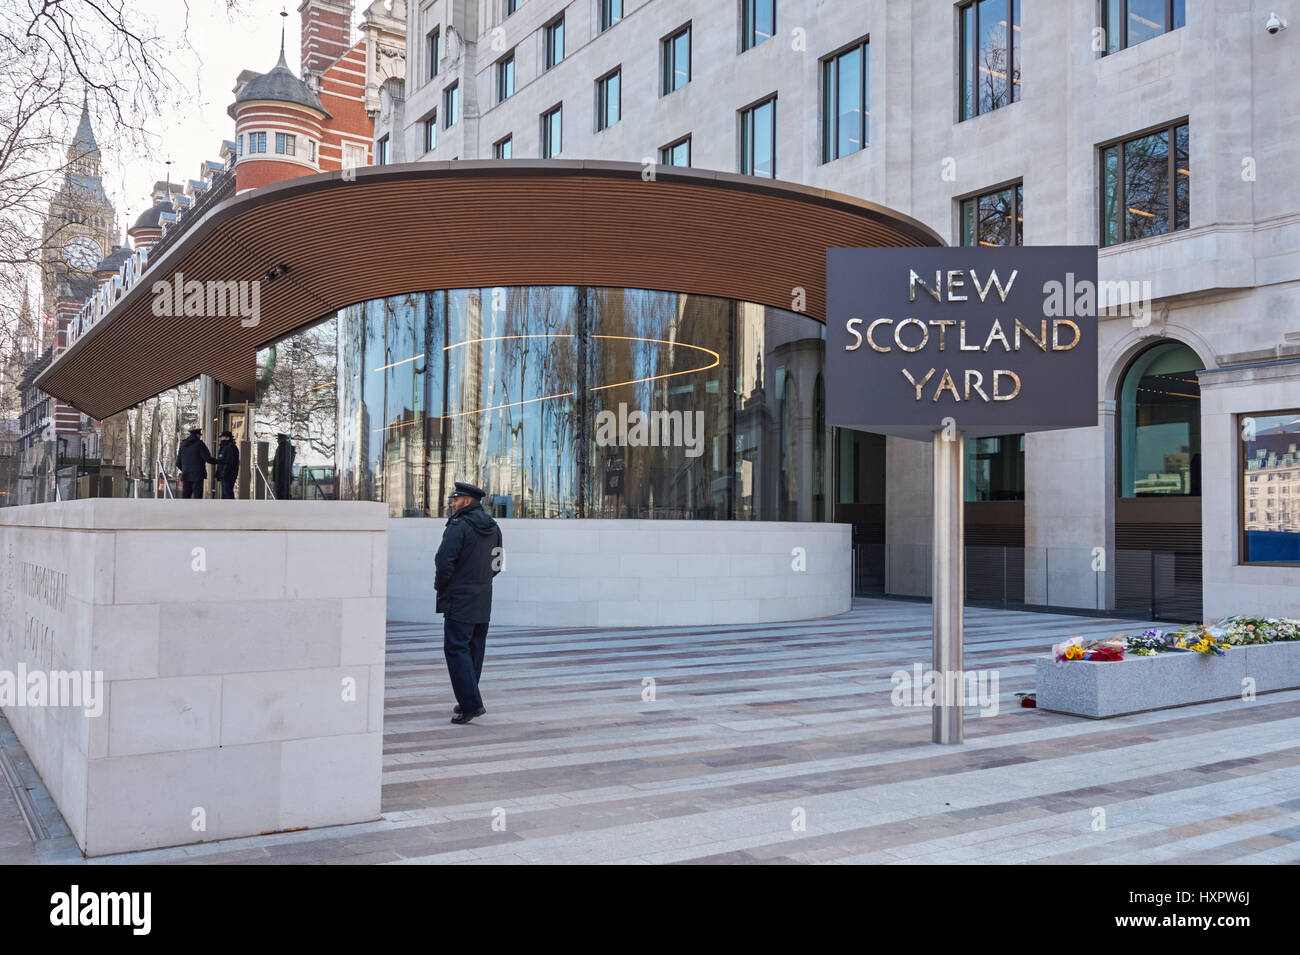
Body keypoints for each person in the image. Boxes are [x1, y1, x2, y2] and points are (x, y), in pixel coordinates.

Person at [435, 481, 503, 725]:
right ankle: (468, 697)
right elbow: (498, 565)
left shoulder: (458, 525)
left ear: (467, 500)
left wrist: (443, 586)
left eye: (455, 499)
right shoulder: (494, 527)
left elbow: (444, 562)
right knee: (474, 648)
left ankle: (471, 704)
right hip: (484, 596)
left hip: (459, 596)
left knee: (456, 648)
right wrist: (481, 582)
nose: (452, 503)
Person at [175, 427, 214, 499]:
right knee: (197, 496)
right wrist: (220, 461)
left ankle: (186, 510)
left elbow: (178, 462)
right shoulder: (200, 444)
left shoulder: (183, 444)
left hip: (186, 475)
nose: (200, 437)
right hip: (197, 475)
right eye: (200, 435)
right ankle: (197, 510)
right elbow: (207, 458)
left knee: (186, 496)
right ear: (197, 435)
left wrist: (185, 469)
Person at [215, 430, 240, 499]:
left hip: (228, 474)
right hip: (225, 474)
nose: (221, 439)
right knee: (225, 493)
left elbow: (229, 462)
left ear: (228, 438)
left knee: (227, 493)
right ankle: (225, 508)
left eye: (222, 437)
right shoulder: (224, 447)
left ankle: (231, 508)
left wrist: (223, 473)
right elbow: (222, 462)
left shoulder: (230, 448)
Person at [272, 433, 295, 500]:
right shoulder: (287, 448)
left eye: (278, 439)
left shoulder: (282, 448)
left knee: (281, 494)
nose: (277, 441)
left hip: (281, 477)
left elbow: (279, 463)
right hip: (284, 476)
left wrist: (276, 475)